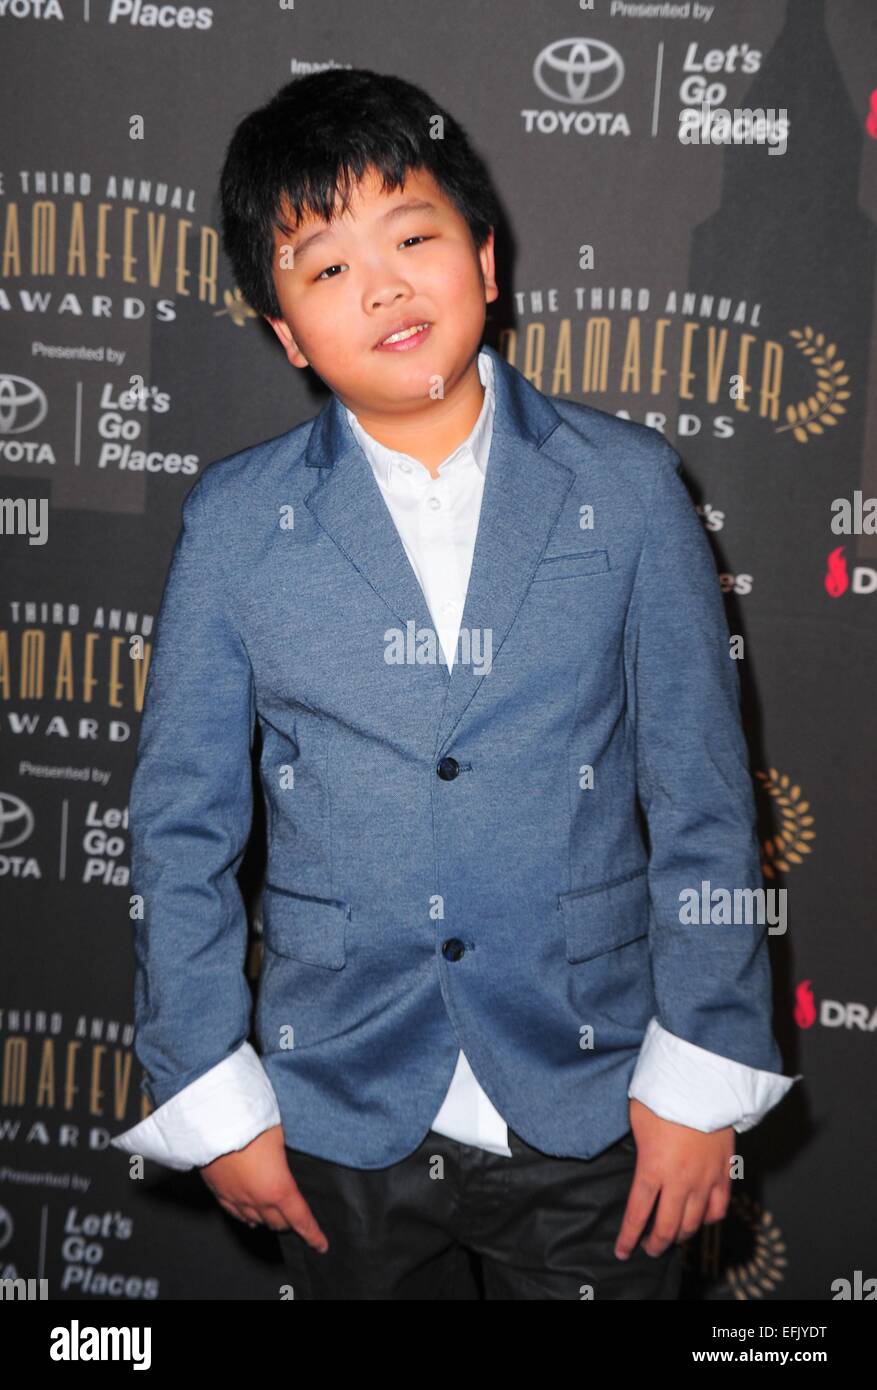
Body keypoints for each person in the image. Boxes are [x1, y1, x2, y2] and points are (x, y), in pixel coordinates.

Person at [111, 68, 800, 1300]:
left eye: (413, 237)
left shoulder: (632, 487)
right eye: (323, 268)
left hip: (597, 1099)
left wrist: (703, 1069)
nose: (378, 286)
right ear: (284, 333)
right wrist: (210, 1093)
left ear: (485, 260)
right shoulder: (233, 522)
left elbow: (701, 802)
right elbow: (179, 831)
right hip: (337, 1106)